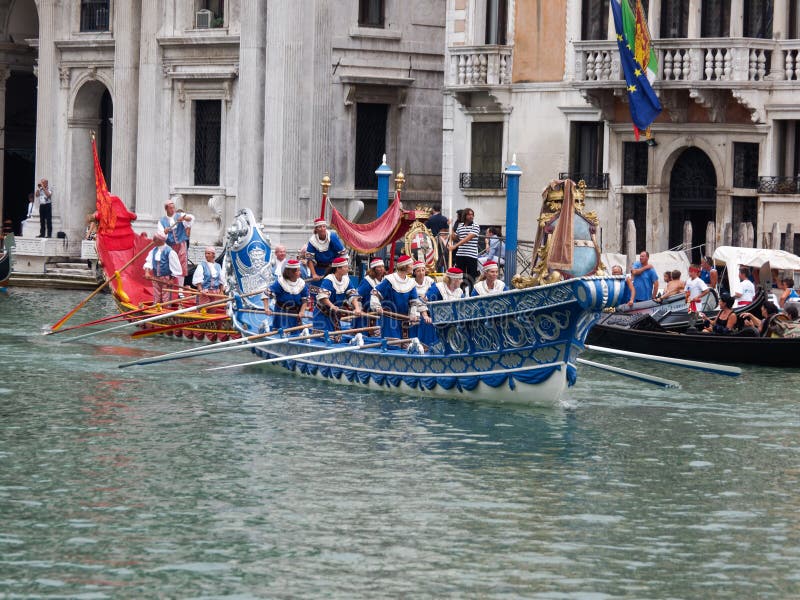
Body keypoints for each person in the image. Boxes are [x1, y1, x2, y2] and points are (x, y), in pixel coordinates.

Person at [371, 254, 431, 338]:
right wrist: (377, 306)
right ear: (405, 266)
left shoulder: (411, 282)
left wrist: (413, 314)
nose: (412, 267)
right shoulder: (390, 280)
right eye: (411, 265)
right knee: (393, 346)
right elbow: (375, 293)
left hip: (404, 320)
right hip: (389, 319)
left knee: (403, 346)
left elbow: (414, 302)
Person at [313, 256, 362, 332]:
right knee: (323, 337)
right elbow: (323, 297)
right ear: (338, 269)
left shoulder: (346, 279)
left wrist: (357, 308)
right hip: (322, 314)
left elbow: (352, 295)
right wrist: (332, 306)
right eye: (345, 267)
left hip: (334, 313)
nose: (348, 269)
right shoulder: (329, 280)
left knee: (336, 338)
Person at [263, 259, 309, 330]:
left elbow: (305, 300)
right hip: (281, 315)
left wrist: (302, 311)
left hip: (295, 315)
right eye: (298, 271)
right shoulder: (280, 283)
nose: (300, 272)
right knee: (282, 332)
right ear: (291, 273)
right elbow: (266, 294)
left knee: (295, 333)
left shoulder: (302, 283)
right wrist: (266, 308)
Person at [157, 198, 194, 287]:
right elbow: (160, 235)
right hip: (170, 246)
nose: (173, 210)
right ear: (166, 209)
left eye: (173, 208)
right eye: (170, 208)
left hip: (181, 244)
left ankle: (180, 289)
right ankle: (171, 286)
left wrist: (184, 217)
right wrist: (164, 232)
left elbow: (190, 219)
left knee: (182, 265)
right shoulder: (161, 221)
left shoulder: (179, 215)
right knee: (171, 265)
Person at [143, 232, 182, 304]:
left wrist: (171, 279)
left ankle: (166, 309)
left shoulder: (170, 252)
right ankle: (156, 309)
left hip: (166, 278)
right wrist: (147, 272)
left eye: (155, 239)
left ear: (161, 240)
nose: (153, 240)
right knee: (156, 295)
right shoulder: (153, 251)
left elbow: (176, 267)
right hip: (155, 277)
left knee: (166, 296)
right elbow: (149, 262)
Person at [306, 217, 346, 282]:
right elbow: (309, 259)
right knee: (315, 290)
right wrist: (314, 274)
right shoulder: (312, 241)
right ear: (316, 229)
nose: (322, 229)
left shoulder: (332, 237)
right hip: (318, 269)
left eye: (324, 226)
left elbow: (343, 254)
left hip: (333, 269)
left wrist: (341, 270)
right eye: (319, 227)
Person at [449, 208, 480, 288]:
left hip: (471, 255)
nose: (471, 216)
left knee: (471, 276)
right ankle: (460, 292)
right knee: (459, 275)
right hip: (460, 254)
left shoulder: (475, 226)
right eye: (469, 214)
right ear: (465, 215)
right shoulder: (460, 226)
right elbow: (455, 238)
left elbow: (467, 238)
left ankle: (470, 294)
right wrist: (450, 226)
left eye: (472, 215)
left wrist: (455, 246)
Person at [353, 257, 385, 330]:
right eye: (379, 267)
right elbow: (357, 296)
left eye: (382, 266)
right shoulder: (367, 281)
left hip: (379, 313)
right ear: (374, 269)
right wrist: (358, 309)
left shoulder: (385, 280)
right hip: (365, 314)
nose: (382, 268)